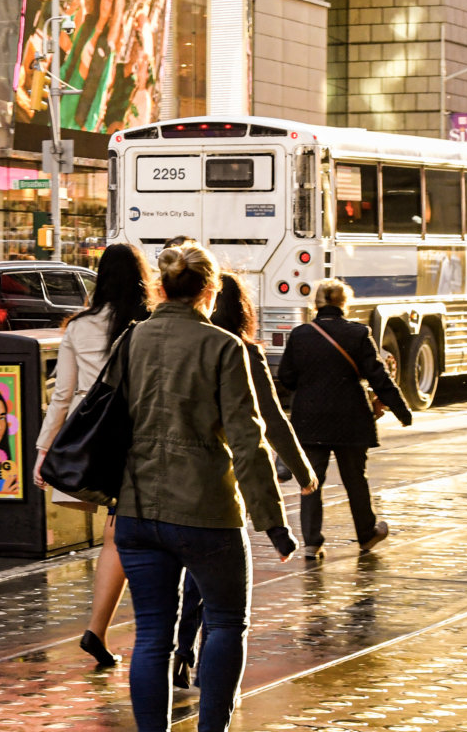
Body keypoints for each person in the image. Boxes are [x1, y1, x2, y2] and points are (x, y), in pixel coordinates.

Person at [112, 242, 296, 732]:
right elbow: (248, 440)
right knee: (227, 623)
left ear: (160, 288)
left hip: (137, 509)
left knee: (152, 635)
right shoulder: (223, 346)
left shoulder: (132, 340)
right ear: (210, 291)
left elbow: (110, 419)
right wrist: (273, 523)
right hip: (206, 511)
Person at [170, 272, 319, 693]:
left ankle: (182, 652)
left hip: (174, 482)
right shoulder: (243, 351)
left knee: (191, 579)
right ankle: (204, 669)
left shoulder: (184, 343)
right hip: (220, 485)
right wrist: (303, 471)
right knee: (219, 589)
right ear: (243, 311)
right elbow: (271, 419)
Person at [32, 241, 153, 668]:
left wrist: (44, 450)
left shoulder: (79, 326)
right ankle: (150, 631)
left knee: (115, 535)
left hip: (95, 440)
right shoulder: (149, 324)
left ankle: (98, 629)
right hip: (140, 435)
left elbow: (61, 396)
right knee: (141, 533)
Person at [278, 278, 414, 560]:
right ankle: (366, 534)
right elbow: (378, 376)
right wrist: (402, 410)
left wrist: (311, 384)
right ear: (344, 303)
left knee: (311, 481)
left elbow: (286, 377)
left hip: (310, 420)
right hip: (351, 419)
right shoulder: (358, 334)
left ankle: (312, 542)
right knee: (355, 480)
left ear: (316, 303)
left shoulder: (300, 335)